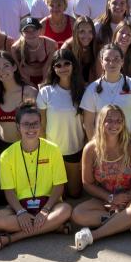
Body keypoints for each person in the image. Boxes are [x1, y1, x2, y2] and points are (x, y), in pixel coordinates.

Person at [0, 104, 73, 251]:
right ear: (18, 127)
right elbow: (9, 191)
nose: (31, 128)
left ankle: (13, 237)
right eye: (26, 124)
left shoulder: (53, 149)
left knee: (66, 209)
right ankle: (52, 227)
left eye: (35, 123)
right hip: (20, 207)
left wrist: (45, 210)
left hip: (48, 205)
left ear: (40, 125)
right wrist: (20, 212)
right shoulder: (6, 155)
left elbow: (59, 186)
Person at [72, 105, 131, 251]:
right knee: (78, 214)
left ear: (123, 123)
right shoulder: (90, 149)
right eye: (109, 120)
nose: (114, 125)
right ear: (101, 122)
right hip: (105, 200)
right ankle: (129, 223)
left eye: (119, 121)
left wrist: (125, 199)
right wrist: (111, 198)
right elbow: (87, 183)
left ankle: (94, 235)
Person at [37, 48, 87, 197]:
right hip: (52, 151)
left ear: (73, 65)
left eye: (66, 63)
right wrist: (43, 150)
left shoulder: (84, 90)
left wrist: (86, 148)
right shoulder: (45, 92)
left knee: (75, 194)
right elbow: (41, 125)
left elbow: (88, 124)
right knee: (59, 196)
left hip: (75, 148)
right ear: (53, 69)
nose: (63, 68)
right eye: (58, 65)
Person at [0, 50, 39, 176]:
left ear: (14, 67)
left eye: (6, 66)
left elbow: (38, 125)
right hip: (1, 148)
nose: (2, 71)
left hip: (25, 147)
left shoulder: (29, 92)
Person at [80, 44, 131, 139]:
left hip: (127, 142)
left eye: (116, 59)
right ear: (101, 62)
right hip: (102, 143)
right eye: (107, 59)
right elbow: (88, 123)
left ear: (122, 61)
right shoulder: (92, 89)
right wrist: (97, 145)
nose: (112, 63)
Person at [11, 16, 57, 86]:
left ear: (40, 30)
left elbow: (47, 68)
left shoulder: (51, 44)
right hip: (26, 80)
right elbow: (20, 71)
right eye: (26, 31)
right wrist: (31, 86)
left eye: (34, 30)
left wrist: (44, 84)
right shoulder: (15, 48)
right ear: (21, 33)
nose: (31, 34)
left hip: (47, 77)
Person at [61, 15, 99, 84]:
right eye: (82, 31)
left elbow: (99, 74)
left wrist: (92, 88)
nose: (86, 36)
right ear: (75, 32)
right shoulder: (67, 47)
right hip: (72, 84)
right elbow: (63, 74)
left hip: (93, 85)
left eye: (90, 31)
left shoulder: (97, 46)